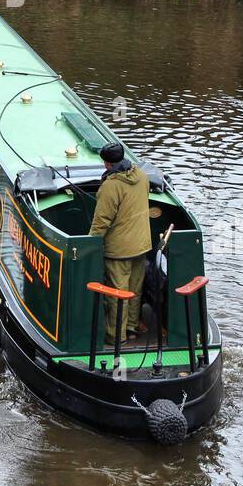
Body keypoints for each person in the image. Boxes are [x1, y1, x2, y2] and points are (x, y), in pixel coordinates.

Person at [89, 143, 152, 345]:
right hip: (142, 245)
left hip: (119, 250)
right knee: (135, 290)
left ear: (107, 163)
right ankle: (132, 329)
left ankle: (116, 336)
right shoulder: (141, 176)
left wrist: (89, 246)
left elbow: (101, 222)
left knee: (117, 294)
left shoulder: (111, 186)